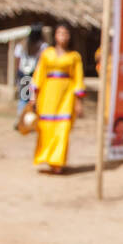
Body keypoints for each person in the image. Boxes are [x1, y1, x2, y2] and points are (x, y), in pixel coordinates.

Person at [27, 24, 84, 173]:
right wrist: (33, 97)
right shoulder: (47, 54)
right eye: (60, 33)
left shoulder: (74, 57)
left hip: (66, 97)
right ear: (55, 36)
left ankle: (57, 162)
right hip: (48, 96)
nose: (63, 36)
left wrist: (79, 102)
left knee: (62, 128)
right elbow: (38, 75)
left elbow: (78, 79)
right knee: (46, 128)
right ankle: (46, 157)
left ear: (69, 37)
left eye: (65, 33)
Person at [15, 26, 47, 125]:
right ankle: (27, 121)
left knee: (24, 97)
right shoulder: (43, 46)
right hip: (35, 75)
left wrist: (18, 72)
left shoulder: (22, 44)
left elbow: (17, 58)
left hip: (23, 75)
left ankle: (22, 120)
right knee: (33, 98)